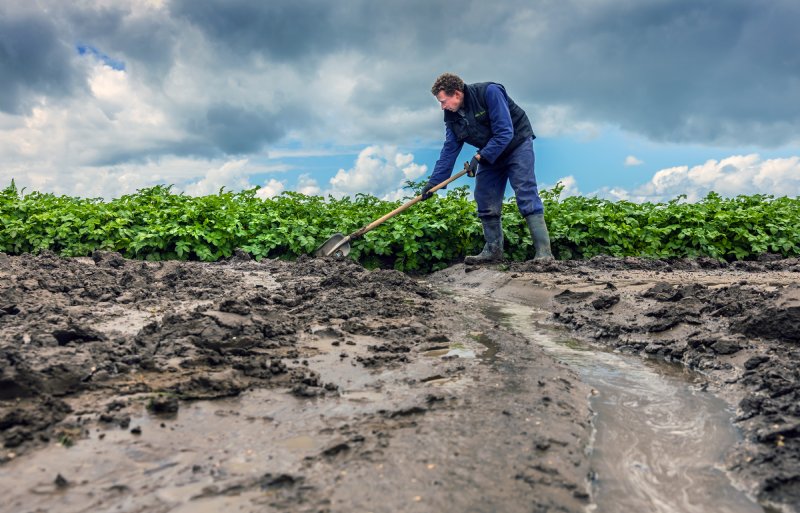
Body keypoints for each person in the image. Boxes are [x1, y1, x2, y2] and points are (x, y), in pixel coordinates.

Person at [422, 72, 553, 264]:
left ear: (457, 94)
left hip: (516, 144)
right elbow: (449, 149)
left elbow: (505, 132)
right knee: (484, 195)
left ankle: (544, 254)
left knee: (525, 191)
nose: (442, 106)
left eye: (443, 101)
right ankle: (493, 252)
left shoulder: (490, 92)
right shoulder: (451, 116)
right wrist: (434, 182)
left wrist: (480, 156)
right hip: (491, 152)